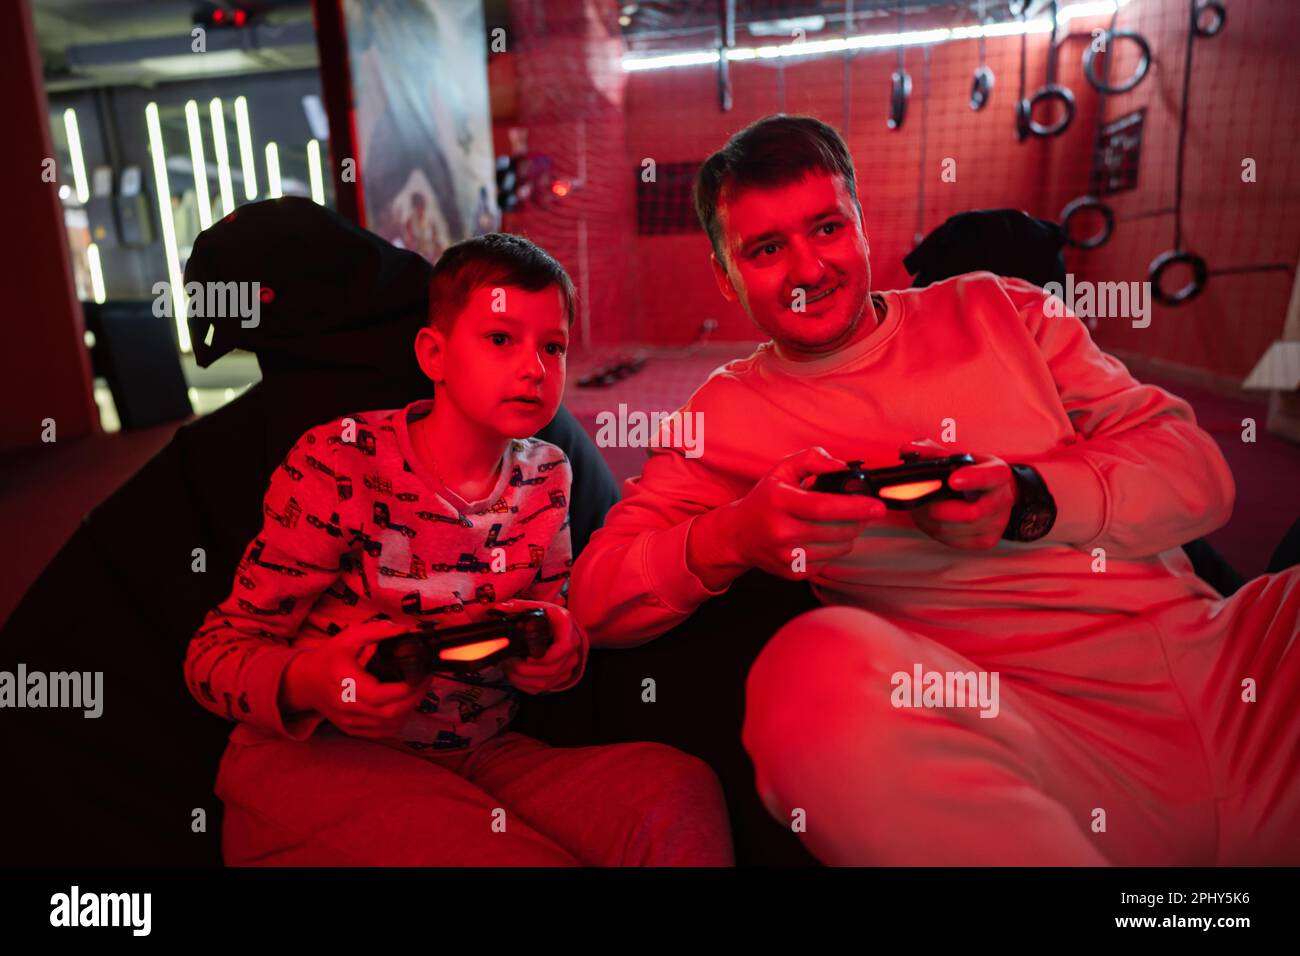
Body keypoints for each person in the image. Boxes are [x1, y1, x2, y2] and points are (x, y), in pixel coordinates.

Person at [569, 114, 1300, 866]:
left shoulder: (1001, 309)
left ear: (860, 224)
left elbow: (1196, 471)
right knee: (809, 672)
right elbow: (595, 595)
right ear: (726, 275)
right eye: (766, 249)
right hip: (1024, 732)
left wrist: (1029, 498)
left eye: (826, 228)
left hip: (1227, 668)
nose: (808, 270)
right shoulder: (723, 413)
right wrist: (736, 537)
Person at [185, 233, 732, 866]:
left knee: (677, 795)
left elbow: (555, 625)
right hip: (321, 758)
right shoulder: (340, 461)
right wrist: (312, 679)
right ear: (434, 354)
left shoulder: (548, 473)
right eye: (501, 339)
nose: (534, 368)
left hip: (478, 758)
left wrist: (558, 652)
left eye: (552, 347)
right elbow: (212, 656)